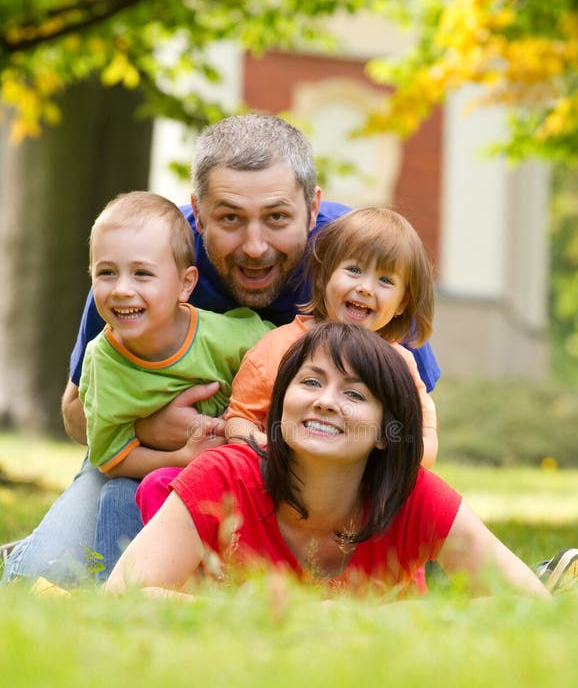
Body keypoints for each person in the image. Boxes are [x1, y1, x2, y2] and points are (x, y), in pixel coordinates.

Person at [2, 113, 439, 586]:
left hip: (319, 472)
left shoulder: (363, 262)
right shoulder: (147, 258)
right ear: (198, 210)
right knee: (49, 576)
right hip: (146, 459)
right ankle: (23, 555)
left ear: (312, 209)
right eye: (229, 218)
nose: (254, 247)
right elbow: (74, 411)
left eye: (277, 218)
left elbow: (408, 411)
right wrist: (151, 426)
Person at [105, 323, 578, 599]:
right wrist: (287, 616)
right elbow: (122, 596)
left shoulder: (413, 496)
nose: (326, 402)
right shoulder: (224, 476)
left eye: (354, 393)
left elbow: (526, 605)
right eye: (310, 383)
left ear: (385, 432)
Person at [225, 206, 438, 467]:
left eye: (385, 280)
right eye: (354, 270)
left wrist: (366, 462)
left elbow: (424, 442)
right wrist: (291, 458)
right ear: (323, 277)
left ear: (403, 303)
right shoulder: (280, 347)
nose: (365, 288)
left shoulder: (399, 364)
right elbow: (238, 423)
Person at [81, 191, 272, 478]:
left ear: (185, 284)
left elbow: (288, 353)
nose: (121, 289)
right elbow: (111, 457)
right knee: (119, 497)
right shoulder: (103, 361)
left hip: (249, 466)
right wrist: (182, 458)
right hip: (165, 473)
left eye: (142, 273)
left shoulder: (227, 337)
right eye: (107, 272)